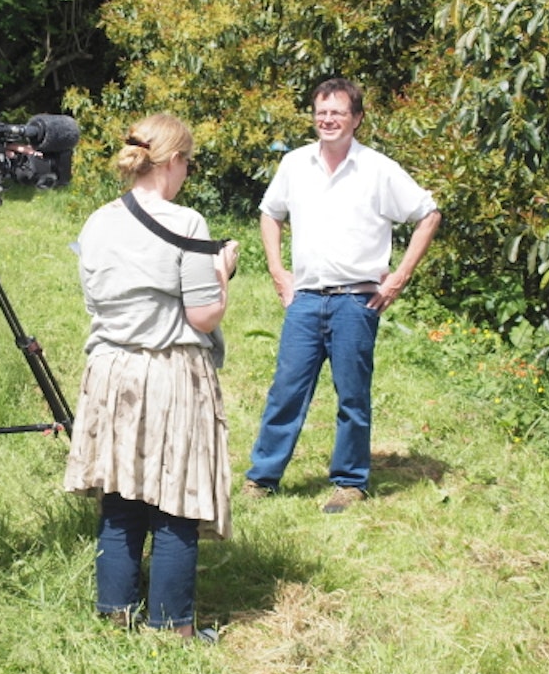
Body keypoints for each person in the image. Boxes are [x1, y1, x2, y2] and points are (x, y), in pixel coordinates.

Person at [63, 113, 237, 640]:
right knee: (177, 500)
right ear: (175, 161)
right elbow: (202, 315)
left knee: (120, 497)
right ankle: (172, 626)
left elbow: (96, 297)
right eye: (188, 163)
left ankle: (116, 613)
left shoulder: (97, 221)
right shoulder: (187, 224)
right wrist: (222, 272)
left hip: (112, 369)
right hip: (169, 372)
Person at [244, 78, 441, 513]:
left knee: (352, 395)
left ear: (357, 118)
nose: (327, 119)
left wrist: (400, 276)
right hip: (307, 299)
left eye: (337, 112)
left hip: (357, 301)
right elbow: (269, 213)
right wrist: (278, 271)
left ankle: (350, 482)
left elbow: (428, 213)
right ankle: (262, 477)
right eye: (321, 111)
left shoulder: (378, 169)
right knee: (286, 391)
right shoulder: (295, 165)